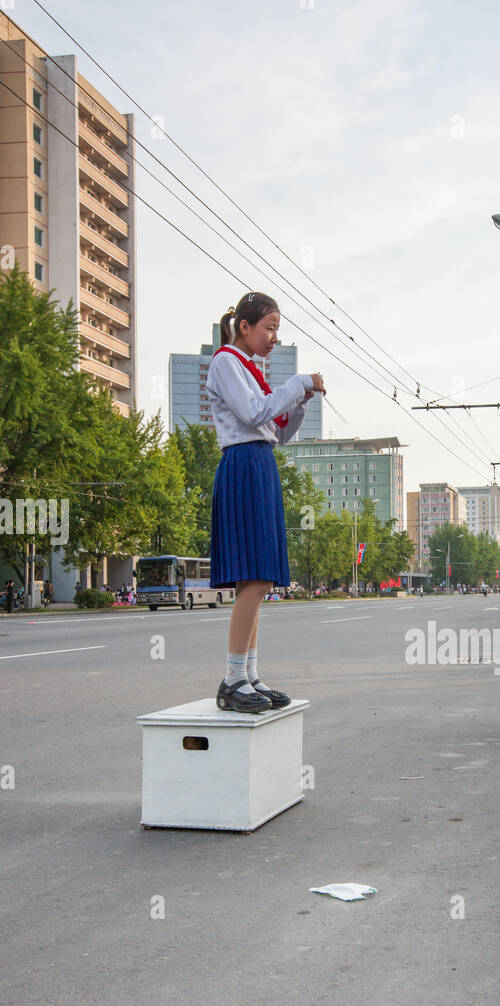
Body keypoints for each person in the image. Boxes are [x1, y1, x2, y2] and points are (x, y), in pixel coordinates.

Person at [207, 292, 325, 712]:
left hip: (259, 464)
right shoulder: (225, 362)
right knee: (253, 579)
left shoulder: (247, 367)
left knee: (259, 579)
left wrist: (300, 402)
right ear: (245, 326)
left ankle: (248, 675)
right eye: (269, 328)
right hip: (242, 464)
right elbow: (256, 413)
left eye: (277, 329)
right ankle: (233, 678)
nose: (274, 337)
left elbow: (277, 432)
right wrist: (298, 385)